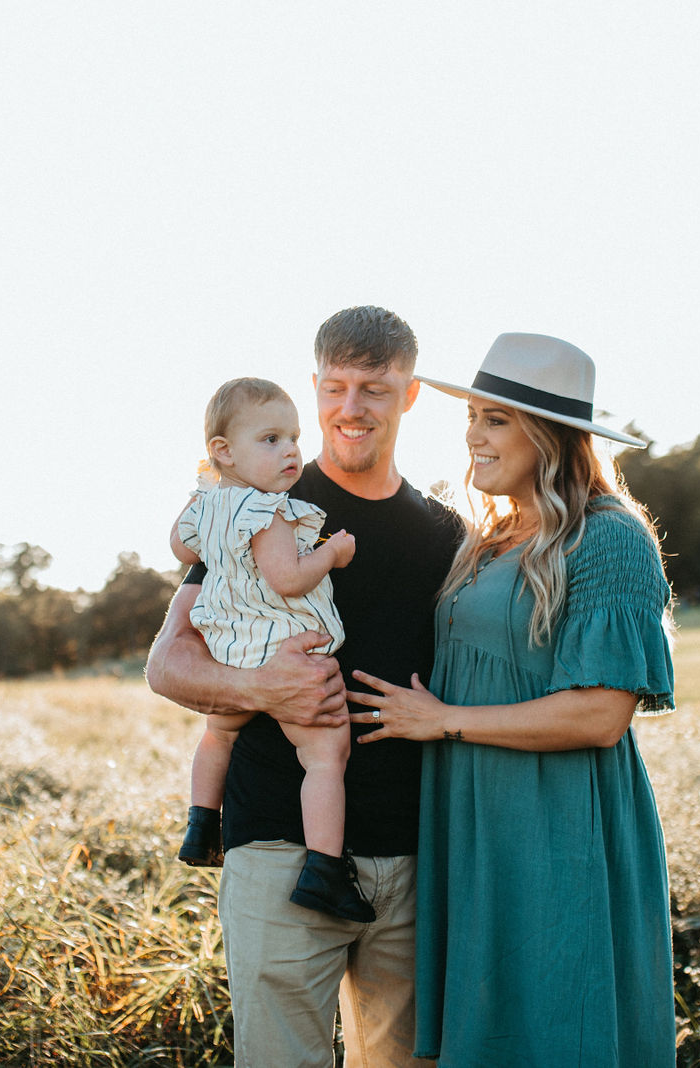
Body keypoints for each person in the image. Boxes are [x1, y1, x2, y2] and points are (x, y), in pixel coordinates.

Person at [146, 306, 463, 1067]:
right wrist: (263, 688)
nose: (351, 408)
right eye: (335, 386)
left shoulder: (446, 534)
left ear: (410, 395)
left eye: (376, 390)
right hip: (280, 853)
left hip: (413, 863)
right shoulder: (261, 505)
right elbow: (167, 663)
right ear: (315, 385)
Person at [350, 332, 678, 1066]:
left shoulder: (610, 538)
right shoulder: (489, 538)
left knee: (559, 1017)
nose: (473, 434)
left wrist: (443, 722)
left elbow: (600, 715)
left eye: (495, 419)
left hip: (559, 830)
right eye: (472, 416)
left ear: (550, 435)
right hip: (475, 825)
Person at [169, 376, 373, 922]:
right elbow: (287, 578)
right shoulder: (270, 510)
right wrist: (332, 553)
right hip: (281, 649)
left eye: (293, 438)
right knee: (326, 756)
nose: (290, 451)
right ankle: (326, 869)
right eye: (270, 439)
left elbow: (178, 545)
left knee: (219, 733)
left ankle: (200, 824)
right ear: (224, 450)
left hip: (228, 650)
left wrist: (209, 501)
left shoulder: (207, 504)